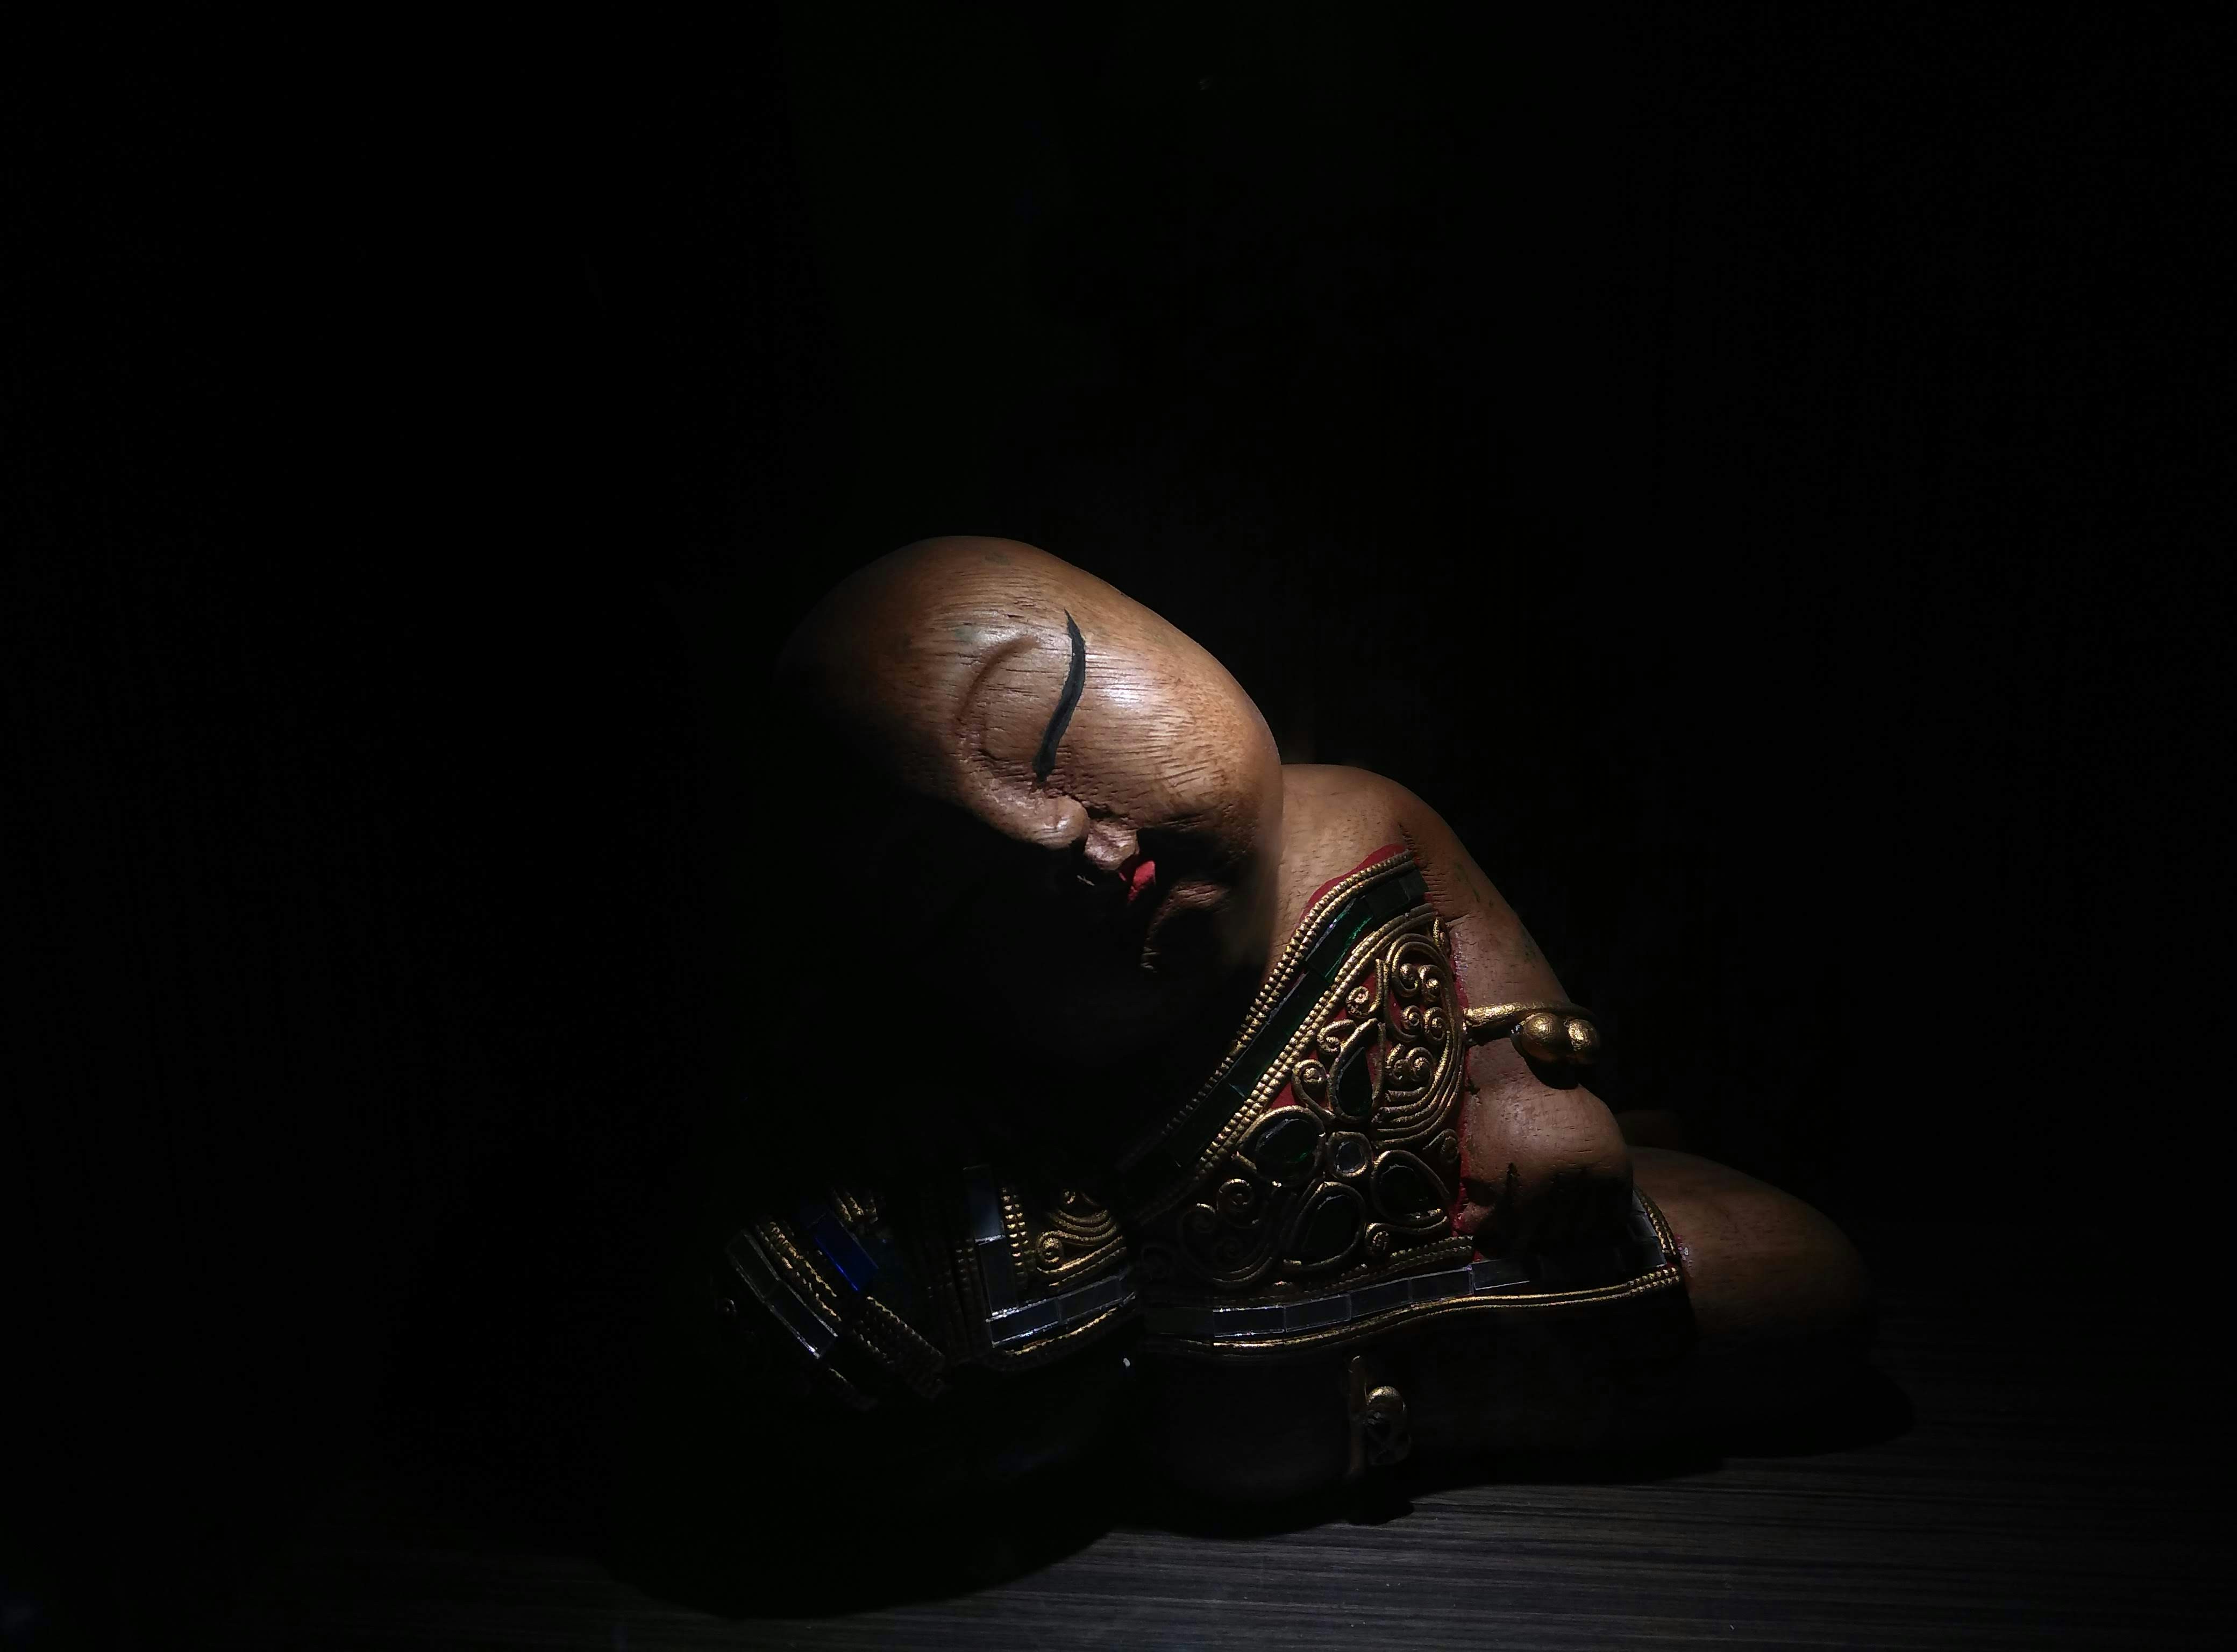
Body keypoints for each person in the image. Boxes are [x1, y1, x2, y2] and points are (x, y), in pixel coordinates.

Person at [702, 537, 1868, 1505]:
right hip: (1229, 1355)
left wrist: (1528, 1091)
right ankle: (1447, 1405)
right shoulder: (991, 1062)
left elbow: (1510, 992)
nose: (1056, 841)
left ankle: (1452, 1389)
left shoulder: (1356, 816)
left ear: (1160, 627)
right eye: (954, 892)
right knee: (1233, 1438)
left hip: (1495, 1232)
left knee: (1798, 1274)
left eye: (1045, 731)